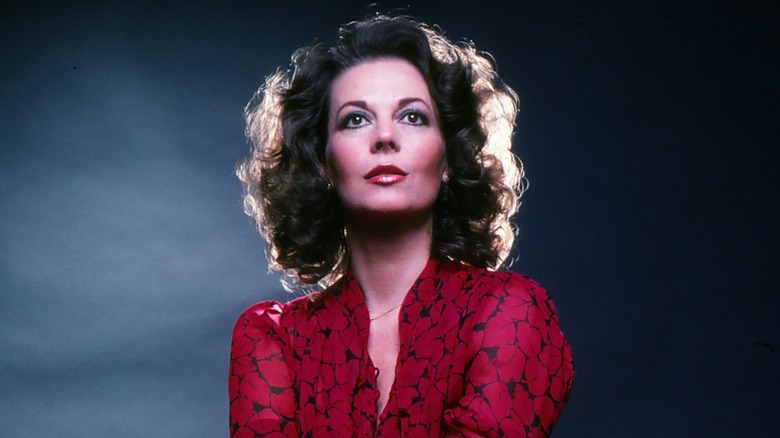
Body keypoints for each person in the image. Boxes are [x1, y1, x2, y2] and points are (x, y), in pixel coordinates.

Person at [230, 14, 574, 437]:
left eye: (412, 117)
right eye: (355, 119)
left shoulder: (511, 312)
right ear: (323, 164)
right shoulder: (271, 338)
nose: (385, 137)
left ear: (448, 158)